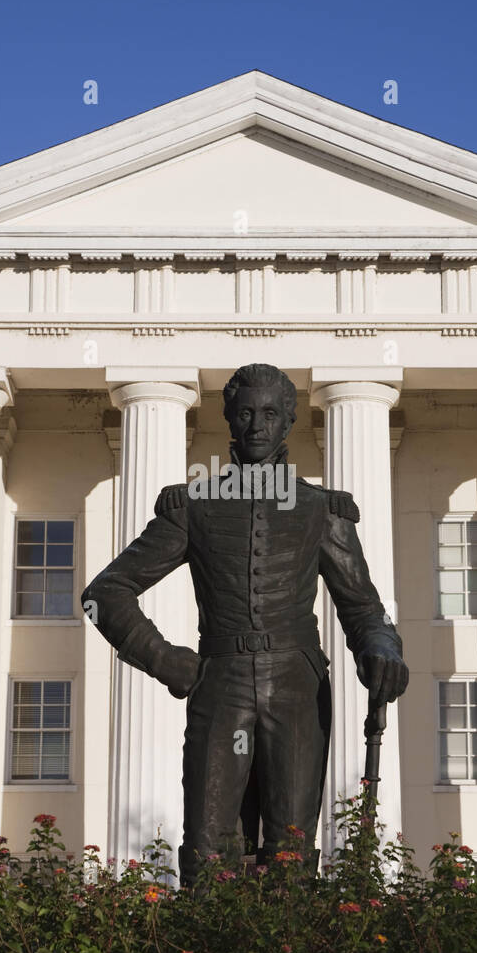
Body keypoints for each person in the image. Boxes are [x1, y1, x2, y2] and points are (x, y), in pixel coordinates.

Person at [82, 362, 408, 884]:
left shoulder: (321, 511)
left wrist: (382, 651)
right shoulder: (193, 506)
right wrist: (167, 662)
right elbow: (104, 595)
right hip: (221, 684)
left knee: (292, 852)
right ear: (230, 420)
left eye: (271, 414)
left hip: (298, 687)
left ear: (288, 423)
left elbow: (363, 607)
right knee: (207, 852)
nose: (258, 425)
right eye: (247, 413)